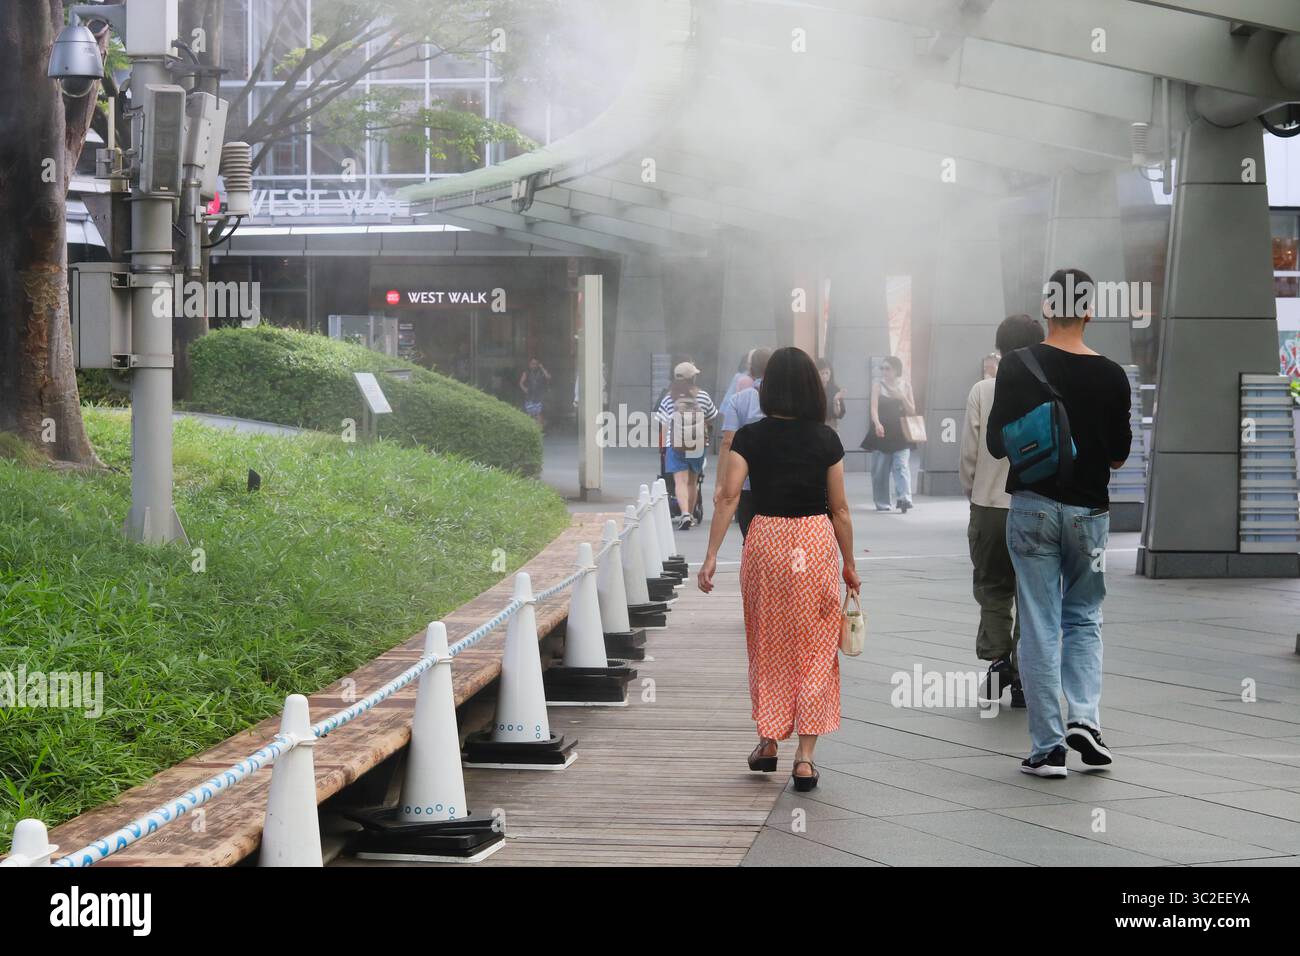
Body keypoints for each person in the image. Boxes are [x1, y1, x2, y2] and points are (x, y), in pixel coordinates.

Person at [987, 268, 1132, 778]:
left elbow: (997, 444)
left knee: (1040, 622)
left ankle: (1048, 746)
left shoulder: (1018, 366)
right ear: (1090, 311)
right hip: (1090, 513)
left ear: (1047, 309)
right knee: (1084, 616)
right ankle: (1086, 723)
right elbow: (1117, 457)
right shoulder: (1113, 374)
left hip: (1032, 508)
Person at [698, 347, 860, 792]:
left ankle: (768, 740)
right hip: (813, 541)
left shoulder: (750, 437)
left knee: (767, 641)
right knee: (816, 648)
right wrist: (850, 564)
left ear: (768, 388)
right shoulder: (826, 440)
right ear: (813, 389)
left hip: (765, 540)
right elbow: (840, 509)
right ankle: (804, 760)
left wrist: (711, 554)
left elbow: (728, 497)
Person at [960, 315, 1045, 712]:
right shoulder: (1050, 388)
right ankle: (1025, 676)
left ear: (999, 348)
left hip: (990, 505)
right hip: (1036, 504)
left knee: (993, 587)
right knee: (1032, 592)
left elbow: (970, 453)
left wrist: (974, 490)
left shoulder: (983, 390)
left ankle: (997, 660)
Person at [716, 347, 771, 538]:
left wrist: (721, 484)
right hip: (779, 484)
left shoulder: (739, 400)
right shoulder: (787, 400)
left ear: (751, 369)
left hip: (747, 483)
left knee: (749, 541)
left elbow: (727, 442)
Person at [655, 361, 718, 530]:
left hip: (675, 444)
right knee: (693, 481)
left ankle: (684, 514)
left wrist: (662, 446)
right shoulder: (703, 396)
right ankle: (690, 514)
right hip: (697, 442)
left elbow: (662, 423)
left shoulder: (669, 397)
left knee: (680, 481)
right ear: (693, 377)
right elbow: (712, 415)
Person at [860, 356, 916, 513]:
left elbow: (912, 411)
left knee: (901, 466)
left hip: (901, 433)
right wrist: (877, 423)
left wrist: (902, 397)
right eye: (882, 368)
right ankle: (882, 502)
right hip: (882, 432)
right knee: (880, 470)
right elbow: (873, 408)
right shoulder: (878, 386)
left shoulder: (906, 386)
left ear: (896, 370)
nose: (884, 371)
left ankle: (904, 498)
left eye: (887, 368)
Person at [519, 357, 551, 427]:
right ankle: (531, 430)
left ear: (538, 364)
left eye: (536, 364)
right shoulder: (526, 372)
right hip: (529, 396)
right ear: (529, 364)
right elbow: (521, 383)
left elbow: (548, 377)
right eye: (532, 364)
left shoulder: (541, 371)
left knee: (539, 413)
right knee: (529, 414)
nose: (534, 365)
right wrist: (524, 389)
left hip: (540, 396)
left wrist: (542, 368)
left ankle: (539, 430)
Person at [817, 358, 847, 430]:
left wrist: (836, 401)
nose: (824, 376)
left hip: (831, 426)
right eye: (822, 373)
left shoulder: (835, 389)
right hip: (815, 425)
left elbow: (839, 415)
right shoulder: (811, 389)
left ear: (831, 373)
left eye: (827, 373)